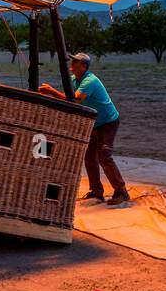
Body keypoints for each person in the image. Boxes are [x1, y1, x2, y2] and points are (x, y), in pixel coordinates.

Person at [42, 53, 129, 207]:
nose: (72, 63)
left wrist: (52, 92)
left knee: (104, 156)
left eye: (75, 61)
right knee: (89, 158)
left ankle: (121, 191)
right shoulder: (75, 79)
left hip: (108, 122)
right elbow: (69, 99)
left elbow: (75, 99)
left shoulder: (90, 81)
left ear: (84, 66)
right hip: (94, 123)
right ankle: (96, 191)